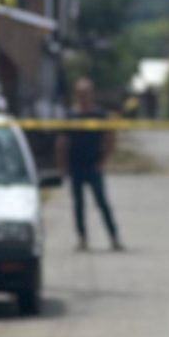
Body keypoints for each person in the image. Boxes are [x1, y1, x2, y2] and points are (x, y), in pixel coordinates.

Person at [55, 77, 122, 251]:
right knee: (78, 205)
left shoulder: (99, 115)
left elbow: (109, 138)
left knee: (102, 203)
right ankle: (82, 238)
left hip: (94, 165)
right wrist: (62, 166)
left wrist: (104, 161)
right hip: (76, 166)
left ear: (91, 94)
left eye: (86, 93)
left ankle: (114, 238)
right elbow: (62, 142)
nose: (83, 96)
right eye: (80, 93)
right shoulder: (71, 115)